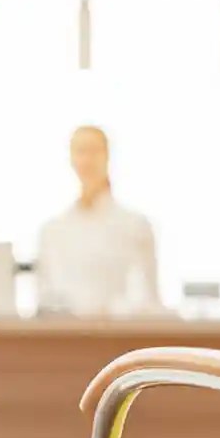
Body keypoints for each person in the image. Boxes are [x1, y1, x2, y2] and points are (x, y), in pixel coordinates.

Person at [37, 126, 162, 315]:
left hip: (118, 330)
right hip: (67, 330)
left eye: (94, 151)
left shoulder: (135, 225)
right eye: (80, 151)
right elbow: (45, 298)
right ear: (71, 159)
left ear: (107, 156)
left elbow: (149, 298)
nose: (87, 160)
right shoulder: (52, 230)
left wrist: (112, 311)